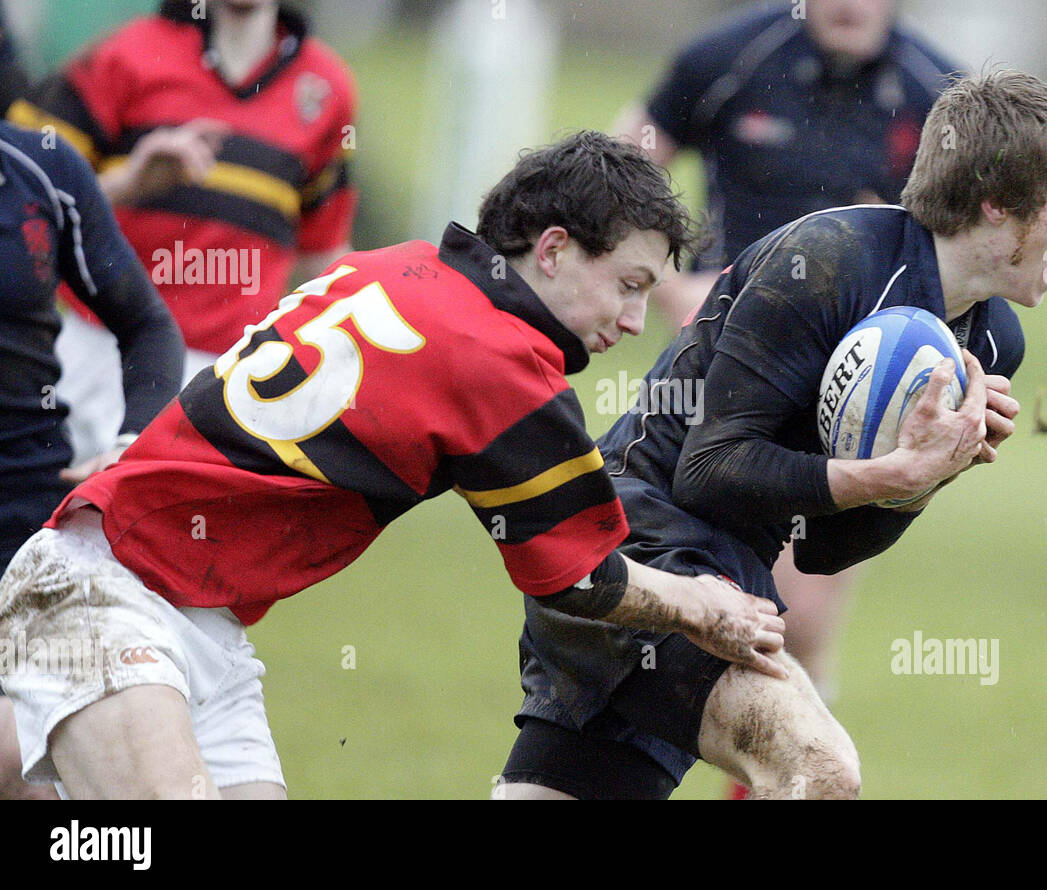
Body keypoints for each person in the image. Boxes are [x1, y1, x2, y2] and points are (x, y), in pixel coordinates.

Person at [0, 130, 785, 800]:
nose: (635, 319)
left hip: (194, 611)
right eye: (629, 285)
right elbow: (584, 578)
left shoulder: (404, 265)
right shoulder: (502, 362)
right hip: (104, 591)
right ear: (552, 250)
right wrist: (702, 605)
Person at [496, 69, 1047, 799]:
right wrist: (893, 476)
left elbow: (824, 550)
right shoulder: (828, 261)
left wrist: (929, 475)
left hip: (730, 580)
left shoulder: (987, 340)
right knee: (819, 772)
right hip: (642, 550)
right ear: (999, 202)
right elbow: (709, 469)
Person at [614, 0, 961, 753]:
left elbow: (959, 243)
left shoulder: (940, 94)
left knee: (795, 623)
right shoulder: (727, 59)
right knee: (675, 598)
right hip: (719, 366)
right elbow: (615, 181)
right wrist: (671, 285)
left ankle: (786, 769)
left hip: (853, 388)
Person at [8, 0, 358, 464]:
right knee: (54, 530)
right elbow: (18, 198)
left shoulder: (328, 89)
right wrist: (130, 183)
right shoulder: (122, 56)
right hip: (104, 355)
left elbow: (323, 254)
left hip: (237, 377)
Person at [0, 120, 184, 799]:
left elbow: (147, 325)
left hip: (25, 529)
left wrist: (131, 439)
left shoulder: (40, 169)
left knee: (30, 766)